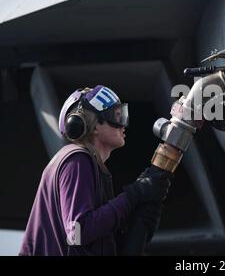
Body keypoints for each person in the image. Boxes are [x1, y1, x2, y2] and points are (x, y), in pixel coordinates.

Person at [19, 85, 174, 256]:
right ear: (94, 127)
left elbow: (98, 239)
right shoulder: (76, 160)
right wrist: (134, 195)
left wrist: (141, 212)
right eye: (117, 117)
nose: (124, 124)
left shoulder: (92, 167)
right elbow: (78, 232)